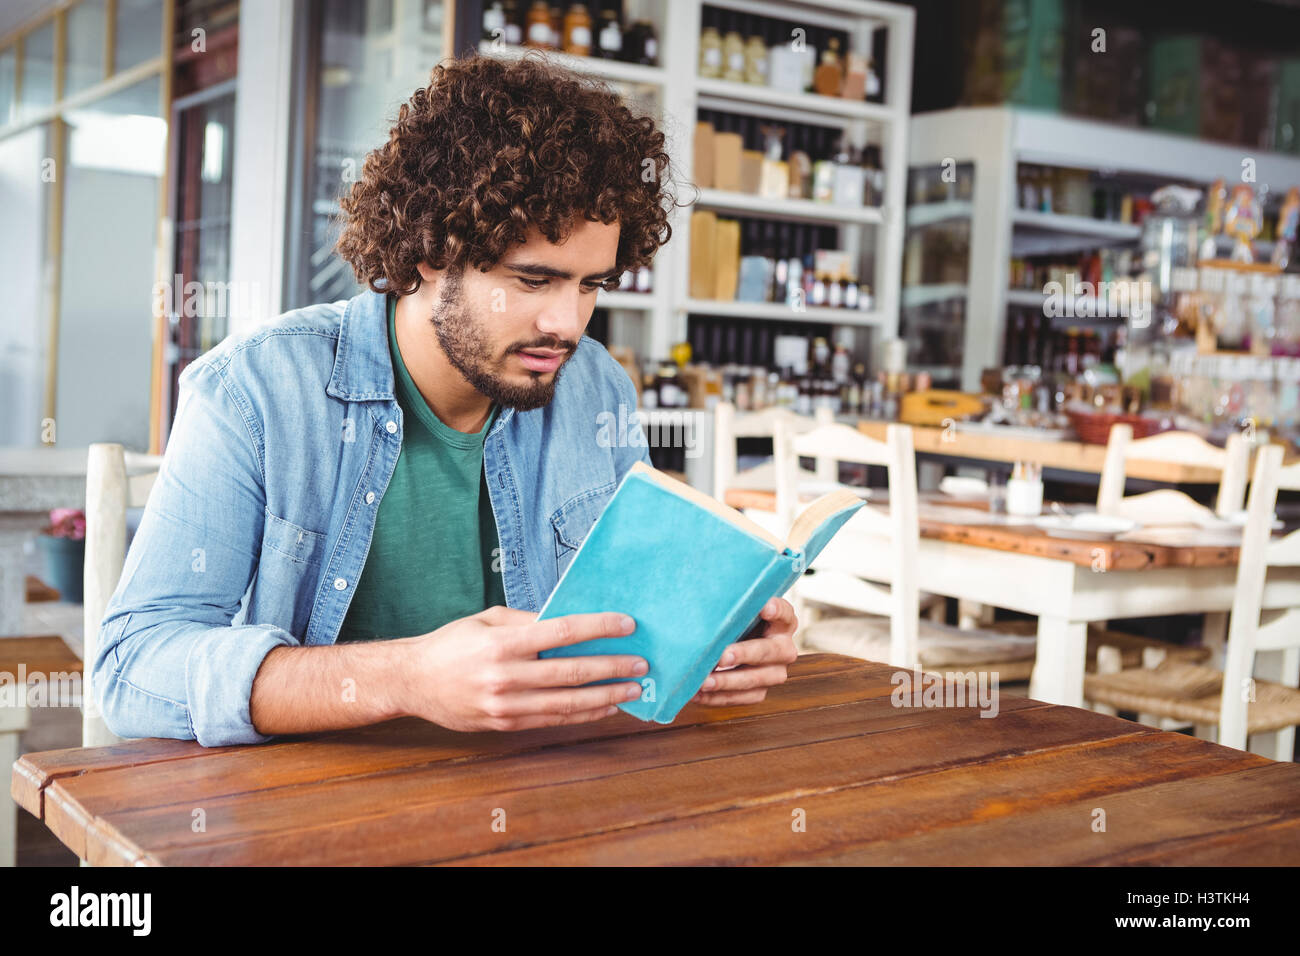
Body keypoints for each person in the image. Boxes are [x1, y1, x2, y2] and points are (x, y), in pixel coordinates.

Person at [94, 53, 798, 747]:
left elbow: (627, 620)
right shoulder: (255, 392)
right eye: (533, 281)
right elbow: (133, 670)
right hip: (304, 813)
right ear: (432, 252)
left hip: (539, 796)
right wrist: (406, 677)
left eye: (591, 286)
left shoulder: (596, 390)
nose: (569, 325)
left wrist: (715, 636)